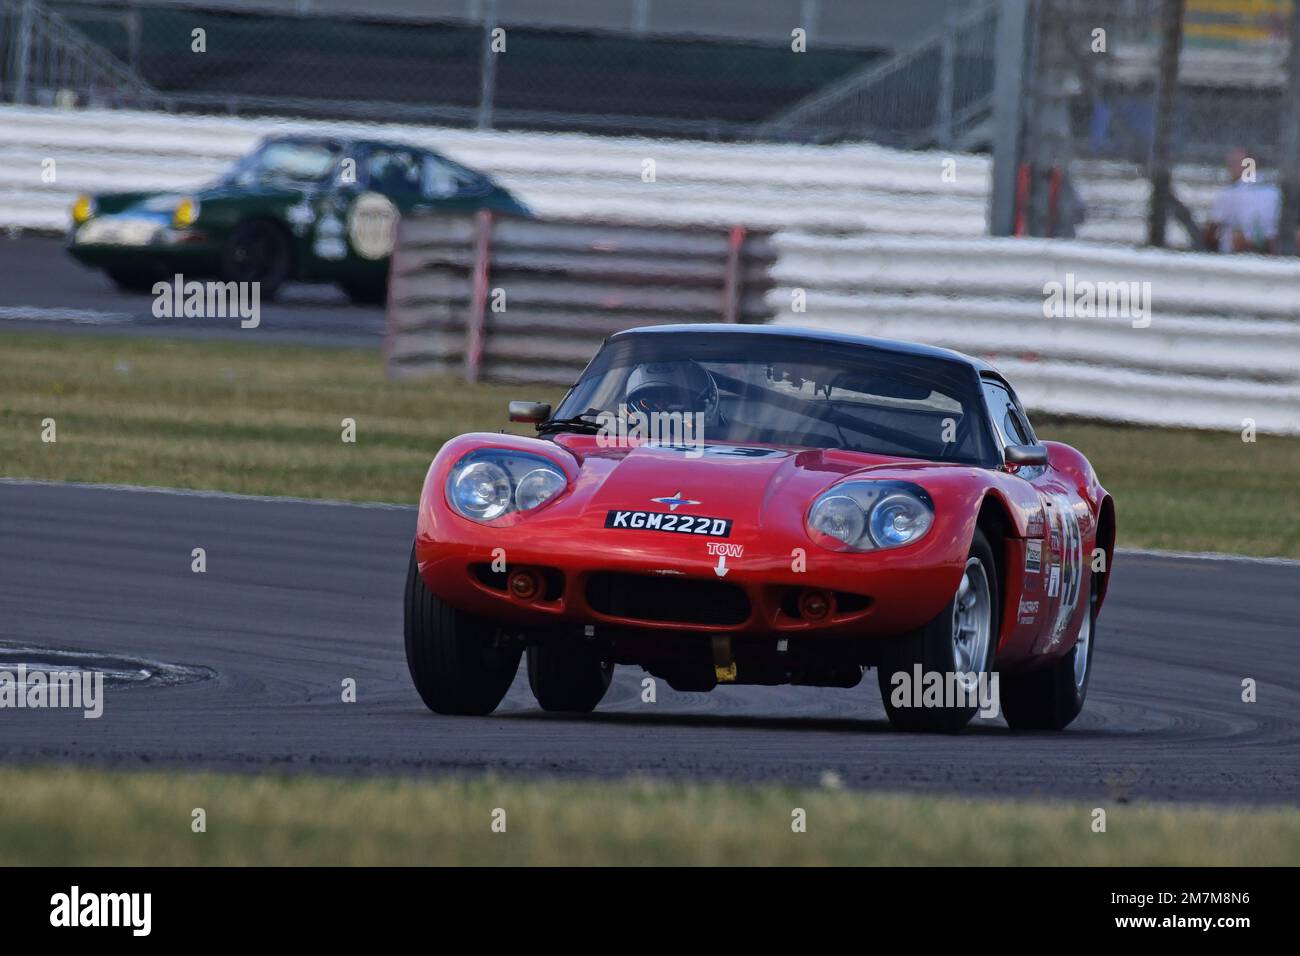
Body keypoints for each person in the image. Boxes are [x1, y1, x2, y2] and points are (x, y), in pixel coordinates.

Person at [1203, 148, 1281, 254]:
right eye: (1230, 162)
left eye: (1235, 162)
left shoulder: (1230, 194)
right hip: (1271, 256)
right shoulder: (1276, 191)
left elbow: (1212, 228)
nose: (1230, 167)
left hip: (1234, 258)